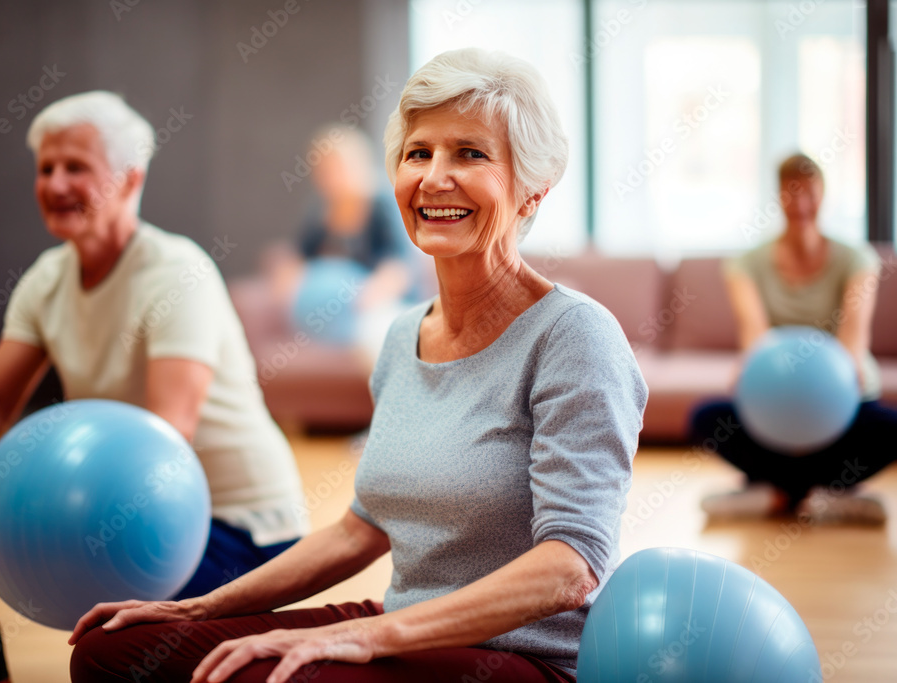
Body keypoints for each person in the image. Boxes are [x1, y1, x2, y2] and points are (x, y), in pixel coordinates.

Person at [68, 49, 647, 683]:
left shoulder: (575, 337)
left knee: (286, 679)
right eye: (418, 153)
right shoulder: (403, 337)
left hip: (521, 656)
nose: (433, 178)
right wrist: (201, 609)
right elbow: (360, 528)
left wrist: (371, 634)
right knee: (112, 650)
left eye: (471, 154)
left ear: (532, 187)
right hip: (405, 626)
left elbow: (572, 566)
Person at [0, 91, 308, 683]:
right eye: (45, 168)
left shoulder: (176, 271)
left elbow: (168, 436)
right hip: (117, 507)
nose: (56, 183)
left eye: (77, 167)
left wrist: (16, 504)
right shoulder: (47, 279)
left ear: (130, 178)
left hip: (238, 530)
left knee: (117, 645)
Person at [691, 153, 897, 524]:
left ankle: (776, 494)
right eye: (791, 193)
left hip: (843, 404)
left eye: (810, 193)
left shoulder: (857, 260)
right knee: (705, 418)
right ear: (780, 197)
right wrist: (766, 385)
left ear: (823, 196)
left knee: (890, 429)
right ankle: (824, 497)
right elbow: (754, 338)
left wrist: (818, 404)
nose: (801, 204)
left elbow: (853, 343)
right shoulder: (746, 264)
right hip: (773, 405)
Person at [269, 125, 415, 365]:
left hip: (378, 306)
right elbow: (298, 258)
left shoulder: (382, 204)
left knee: (373, 335)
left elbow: (400, 267)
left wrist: (369, 297)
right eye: (323, 170)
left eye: (336, 168)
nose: (330, 177)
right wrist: (288, 283)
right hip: (331, 313)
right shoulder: (321, 209)